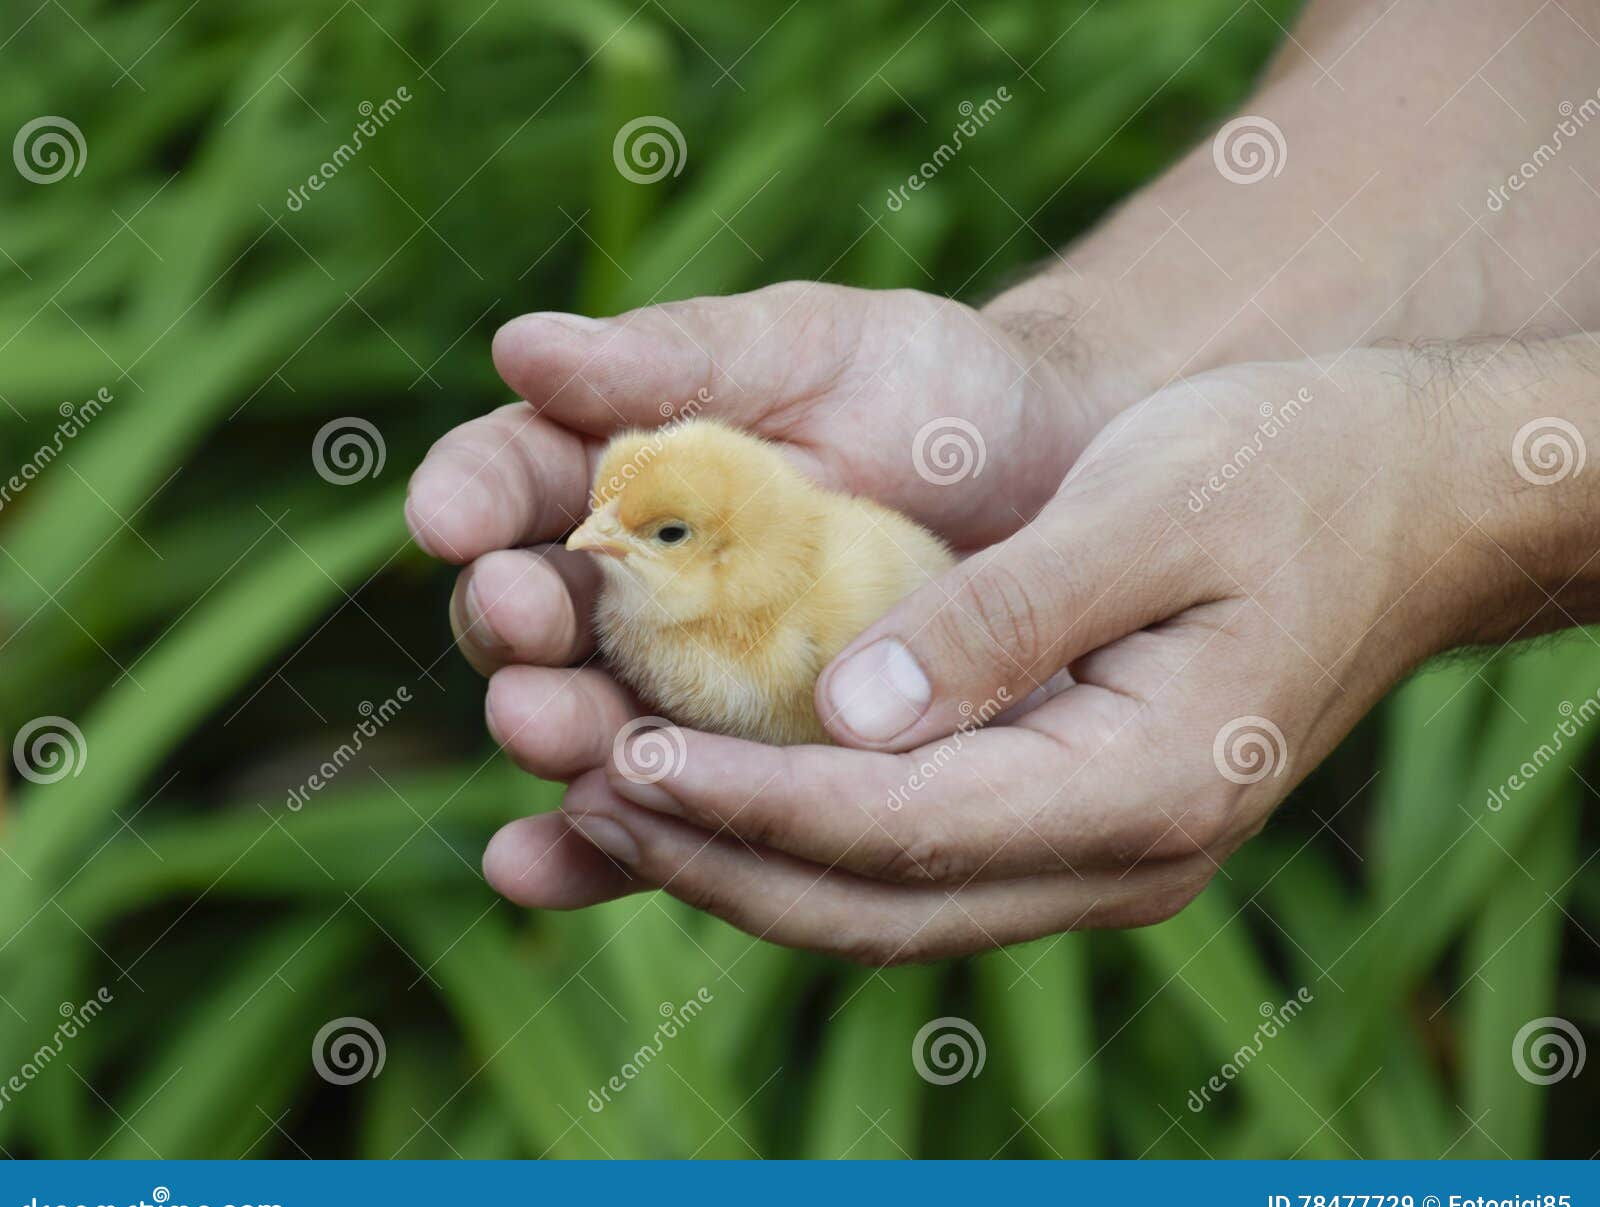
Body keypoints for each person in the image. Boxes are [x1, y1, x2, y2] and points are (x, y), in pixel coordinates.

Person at [405, 0, 1600, 963]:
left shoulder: (777, 594)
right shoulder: (743, 568)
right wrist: (1087, 373)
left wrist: (1439, 485)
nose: (599, 535)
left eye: (652, 526)